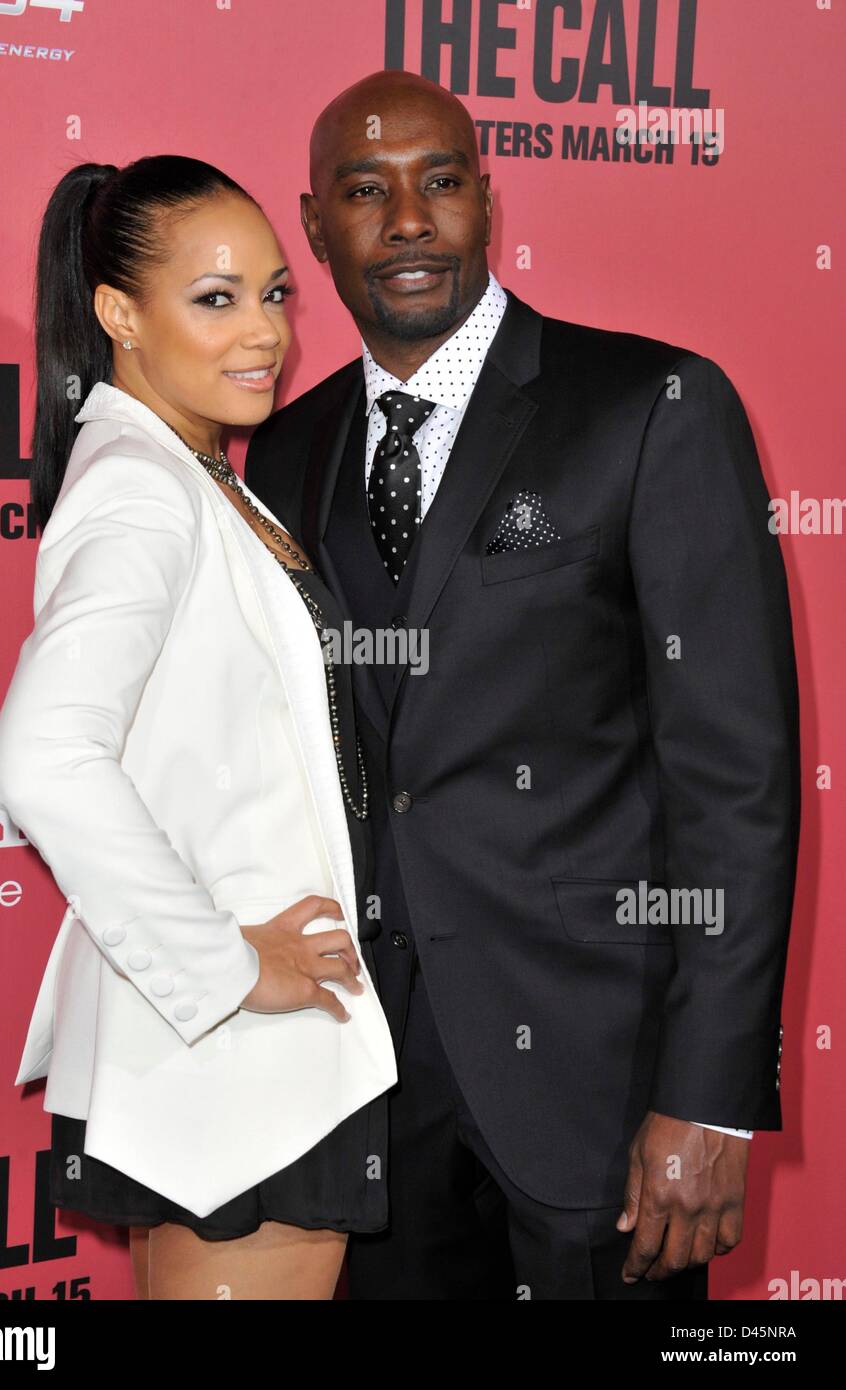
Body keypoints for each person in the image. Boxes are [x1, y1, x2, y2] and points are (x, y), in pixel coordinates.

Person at [244, 72, 801, 1300]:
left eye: (440, 183)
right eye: (365, 192)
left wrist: (709, 1098)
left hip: (601, 1094)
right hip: (370, 1092)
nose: (407, 221)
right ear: (316, 222)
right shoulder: (288, 447)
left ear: (486, 200)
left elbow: (737, 779)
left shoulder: (650, 406)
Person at [0, 155, 397, 1300]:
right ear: (118, 313)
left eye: (274, 293)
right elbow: (43, 755)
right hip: (232, 1071)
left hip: (244, 1067)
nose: (263, 331)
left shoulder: (198, 469)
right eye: (214, 299)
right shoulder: (141, 486)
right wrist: (223, 968)